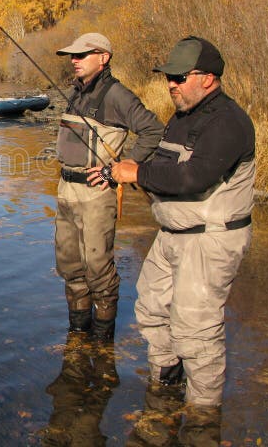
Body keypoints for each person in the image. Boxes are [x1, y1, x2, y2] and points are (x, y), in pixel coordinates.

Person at [106, 35, 255, 412]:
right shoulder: (180, 118)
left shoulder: (229, 123)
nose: (170, 84)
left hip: (209, 242)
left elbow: (193, 179)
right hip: (173, 233)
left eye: (179, 77)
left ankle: (204, 417)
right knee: (151, 308)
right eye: (167, 77)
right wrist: (138, 176)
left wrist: (137, 171)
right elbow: (166, 171)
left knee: (197, 331)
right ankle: (165, 389)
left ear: (208, 78)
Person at [53, 32, 163, 341]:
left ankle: (103, 343)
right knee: (70, 269)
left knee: (98, 270)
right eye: (72, 56)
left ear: (104, 58)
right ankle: (77, 336)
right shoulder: (76, 92)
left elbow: (153, 130)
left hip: (96, 196)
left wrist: (118, 170)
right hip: (66, 193)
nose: (74, 60)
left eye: (81, 55)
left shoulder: (116, 95)